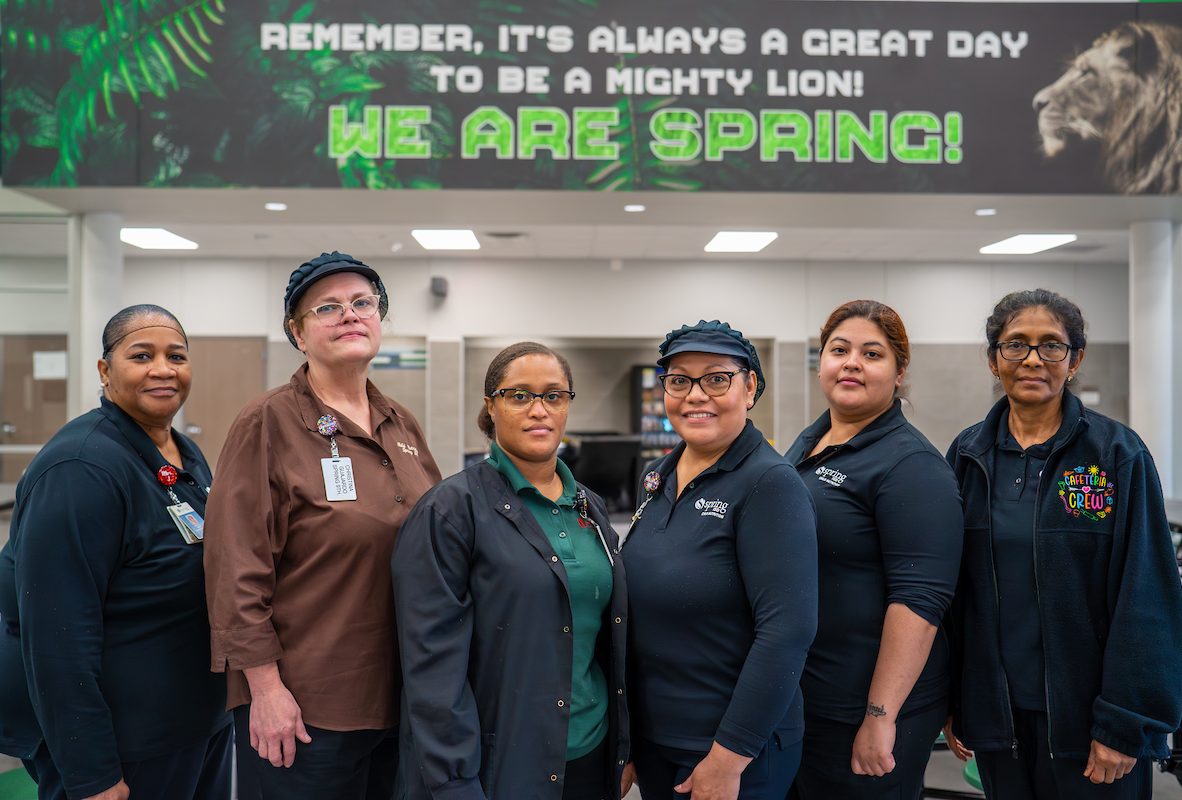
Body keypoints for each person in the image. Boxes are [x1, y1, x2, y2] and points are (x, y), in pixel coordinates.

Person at [203, 251, 441, 800]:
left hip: (401, 696)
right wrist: (264, 690)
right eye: (327, 307)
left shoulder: (399, 422)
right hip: (305, 707)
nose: (350, 315)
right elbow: (235, 567)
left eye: (363, 303)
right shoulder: (268, 421)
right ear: (298, 332)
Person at [943, 288, 1182, 799]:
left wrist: (1125, 721)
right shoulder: (967, 454)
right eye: (1015, 345)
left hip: (1090, 722)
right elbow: (950, 590)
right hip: (997, 716)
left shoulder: (1117, 454)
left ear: (1074, 360)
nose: (1033, 359)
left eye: (1051, 345)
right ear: (994, 359)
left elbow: (1148, 594)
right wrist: (953, 698)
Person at [0, 305, 230, 800]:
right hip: (120, 744)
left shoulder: (182, 453)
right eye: (142, 355)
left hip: (187, 724)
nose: (163, 369)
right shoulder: (81, 469)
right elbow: (56, 636)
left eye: (176, 355)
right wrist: (91, 774)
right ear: (105, 371)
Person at [392, 342, 629, 800]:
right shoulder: (451, 511)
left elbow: (605, 638)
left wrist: (621, 745)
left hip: (590, 753)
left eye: (554, 395)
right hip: (500, 763)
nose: (539, 409)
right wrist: (455, 781)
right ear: (491, 405)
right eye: (519, 395)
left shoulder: (590, 507)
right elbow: (431, 665)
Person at [620, 320, 818, 800]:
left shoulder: (769, 483)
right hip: (657, 738)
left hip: (728, 749)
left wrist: (729, 758)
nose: (695, 395)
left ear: (750, 387)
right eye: (679, 380)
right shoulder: (657, 476)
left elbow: (787, 631)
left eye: (716, 378)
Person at [783, 300, 963, 800]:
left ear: (900, 371)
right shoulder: (810, 441)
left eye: (872, 353)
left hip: (863, 705)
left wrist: (880, 717)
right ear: (822, 362)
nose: (852, 362)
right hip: (805, 697)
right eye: (839, 349)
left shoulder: (912, 466)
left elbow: (920, 602)